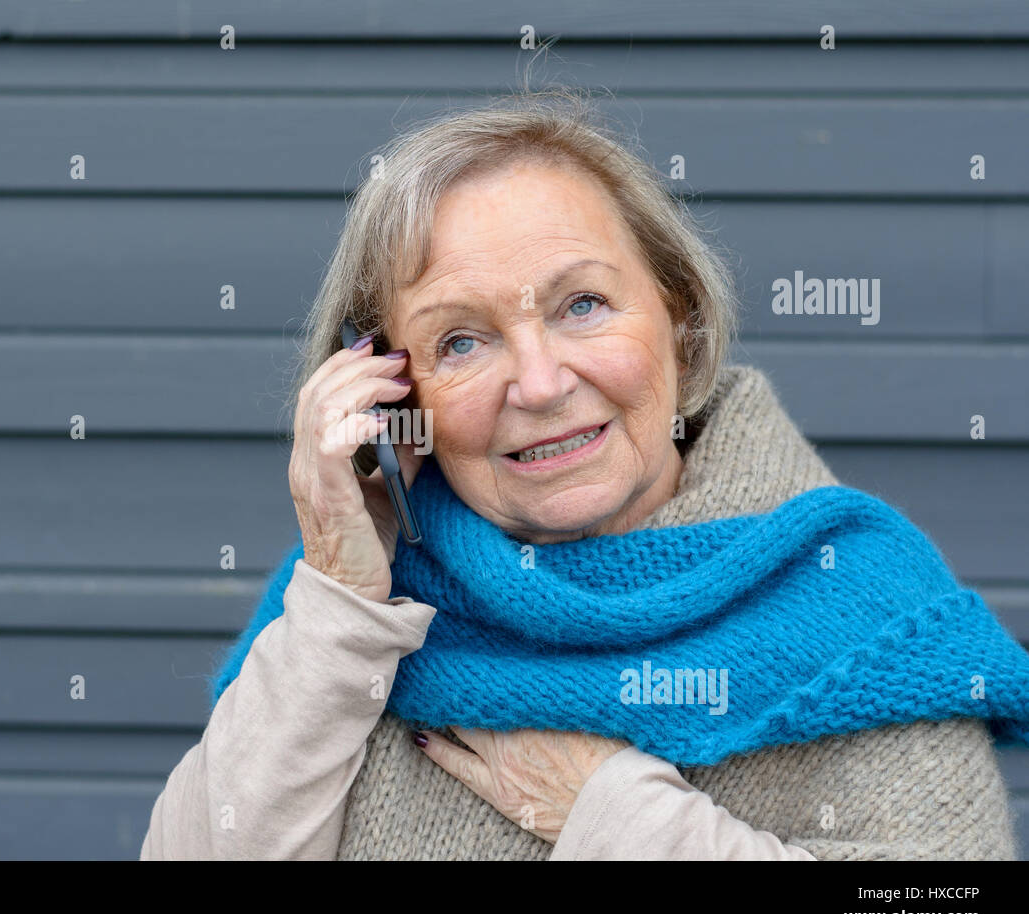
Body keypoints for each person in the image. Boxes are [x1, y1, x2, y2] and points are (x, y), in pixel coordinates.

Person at [141, 90, 1026, 860]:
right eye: (461, 341)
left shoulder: (853, 604)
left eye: (583, 305)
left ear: (678, 321)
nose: (539, 382)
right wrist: (340, 598)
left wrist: (616, 818)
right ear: (395, 392)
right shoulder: (355, 613)